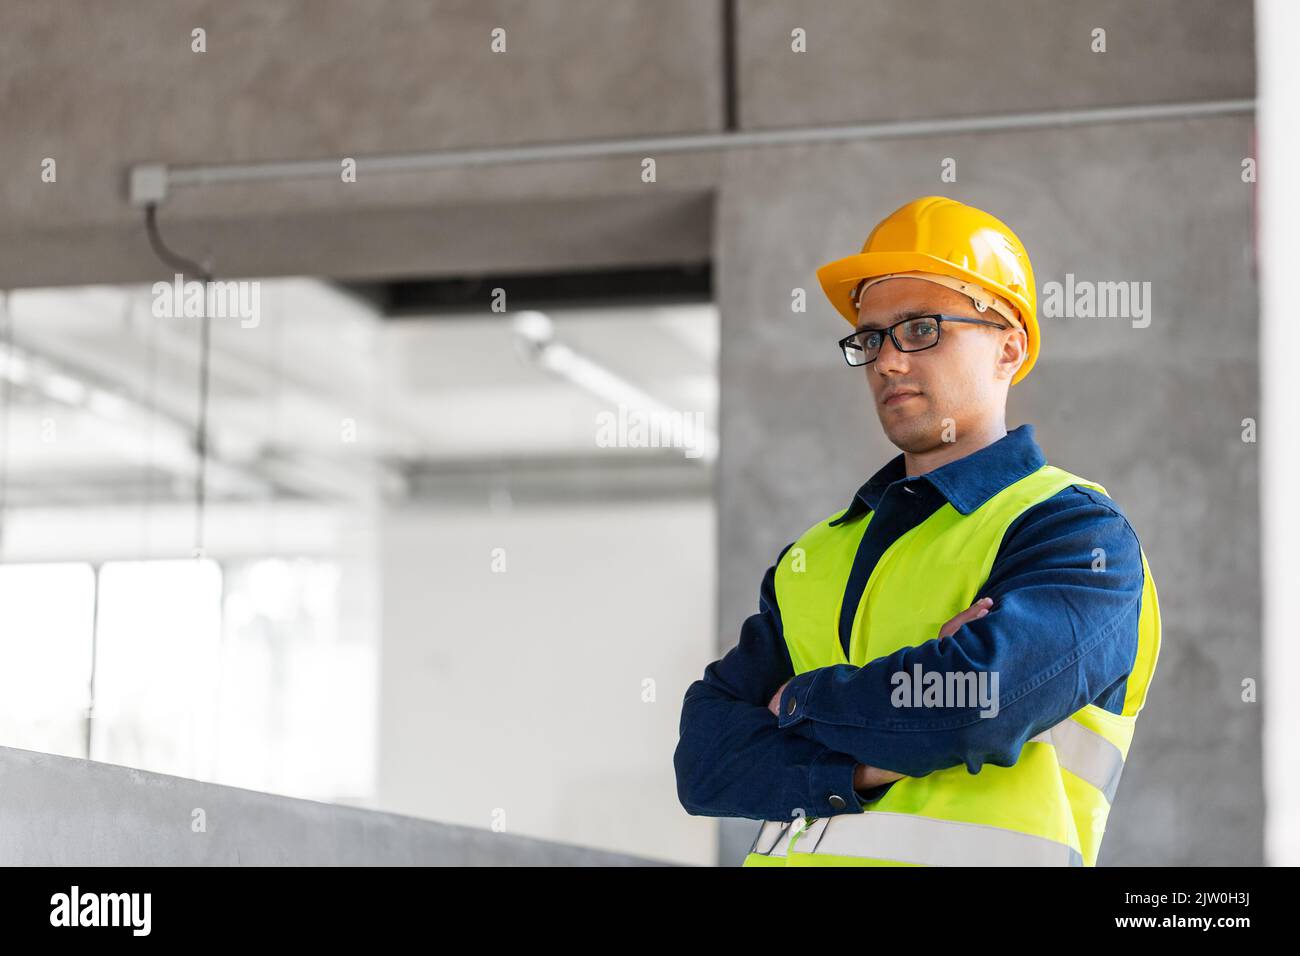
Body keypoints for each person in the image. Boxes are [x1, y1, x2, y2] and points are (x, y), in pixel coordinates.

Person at [673, 196, 1161, 867]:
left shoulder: (1075, 533)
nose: (887, 362)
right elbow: (705, 764)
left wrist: (795, 701)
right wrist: (885, 753)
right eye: (871, 337)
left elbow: (980, 702)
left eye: (921, 329)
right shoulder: (817, 557)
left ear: (1008, 347)